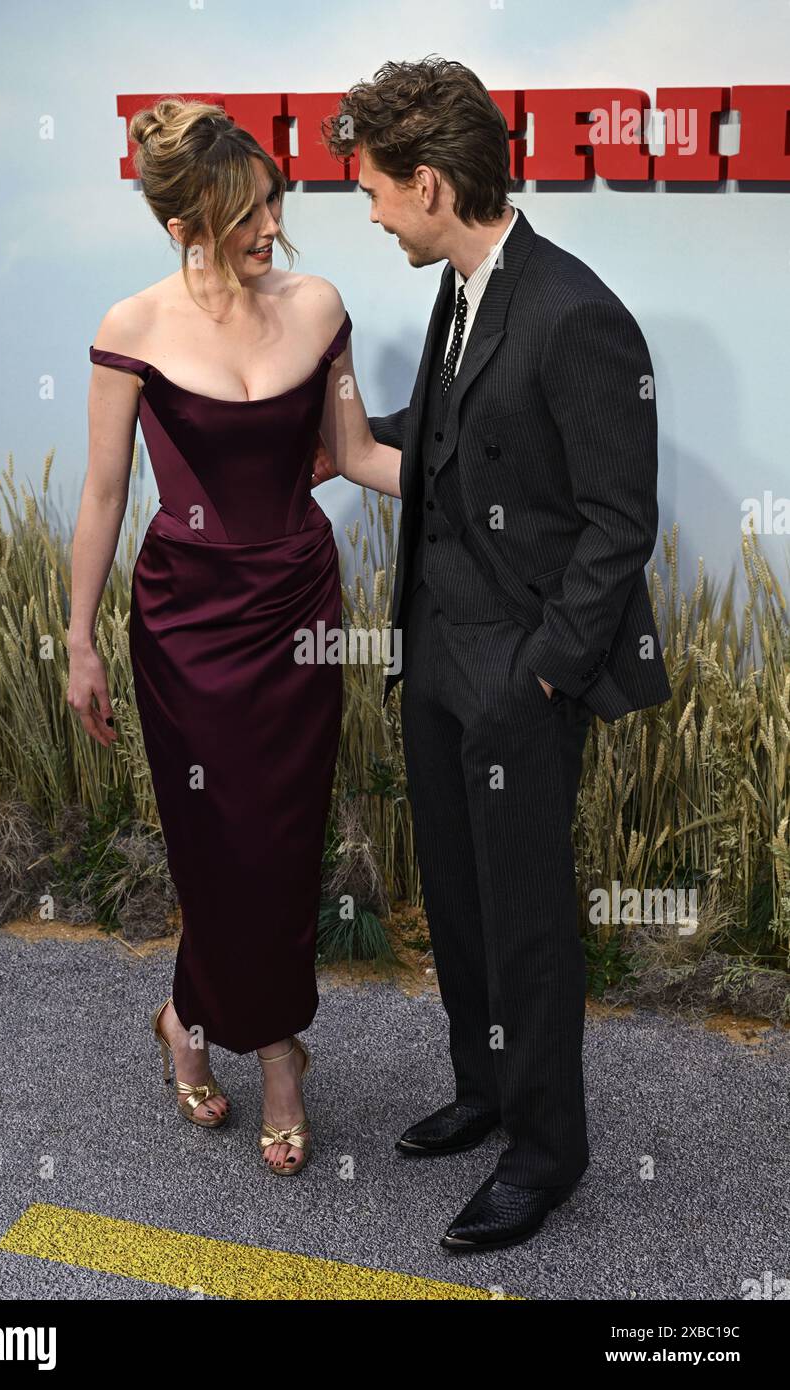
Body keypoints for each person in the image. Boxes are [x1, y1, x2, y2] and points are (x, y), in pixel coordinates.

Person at [321, 57, 672, 1246]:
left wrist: (543, 673)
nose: (367, 213)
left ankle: (545, 1150)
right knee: (461, 907)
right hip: (435, 657)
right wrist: (343, 433)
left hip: (519, 671)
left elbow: (623, 522)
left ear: (428, 185)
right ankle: (483, 1089)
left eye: (372, 190)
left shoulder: (576, 313)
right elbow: (450, 434)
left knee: (523, 919)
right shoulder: (464, 290)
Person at [67, 97, 399, 1176]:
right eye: (245, 215)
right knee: (216, 842)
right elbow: (106, 492)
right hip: (186, 621)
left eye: (272, 203)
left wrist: (485, 480)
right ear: (183, 226)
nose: (270, 229)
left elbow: (352, 452)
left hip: (297, 607)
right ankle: (267, 1046)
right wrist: (78, 639)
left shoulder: (319, 304)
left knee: (283, 837)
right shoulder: (133, 328)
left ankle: (206, 1025)